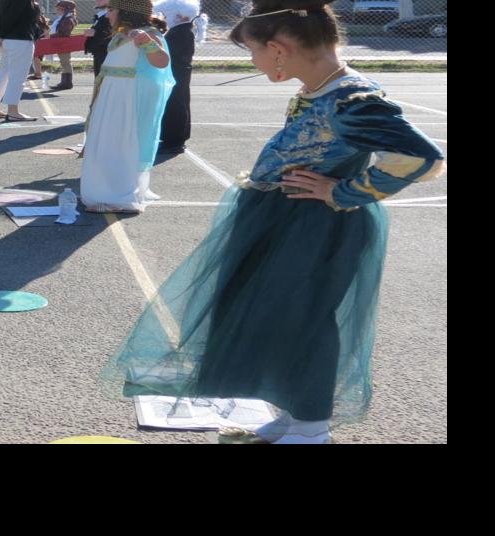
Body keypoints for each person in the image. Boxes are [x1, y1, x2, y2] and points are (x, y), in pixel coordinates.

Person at [103, 1, 445, 444]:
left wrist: (342, 192)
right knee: (275, 318)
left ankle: (312, 425)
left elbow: (420, 157)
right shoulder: (320, 86)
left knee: (304, 319)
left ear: (278, 48)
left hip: (316, 228)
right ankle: (295, 411)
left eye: (252, 51)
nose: (253, 61)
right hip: (285, 220)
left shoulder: (352, 98)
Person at [79, 0, 172, 214]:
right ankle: (104, 190)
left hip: (126, 95)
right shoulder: (122, 33)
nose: (107, 14)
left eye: (111, 10)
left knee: (121, 141)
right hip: (112, 92)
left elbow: (161, 61)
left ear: (127, 11)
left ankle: (119, 195)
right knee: (106, 140)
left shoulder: (146, 32)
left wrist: (147, 42)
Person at [155, 0, 197, 156]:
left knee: (176, 105)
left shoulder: (181, 32)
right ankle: (169, 138)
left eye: (167, 14)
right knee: (172, 104)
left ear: (178, 15)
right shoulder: (178, 30)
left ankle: (175, 141)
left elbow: (171, 54)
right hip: (176, 72)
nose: (164, 16)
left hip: (177, 73)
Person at [0, 0, 37, 121]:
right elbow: (13, 18)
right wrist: (0, 36)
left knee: (3, 75)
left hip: (7, 41)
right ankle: (13, 111)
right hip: (20, 40)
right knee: (17, 77)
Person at [45, 0, 76, 91]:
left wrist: (50, 36)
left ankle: (67, 82)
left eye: (60, 9)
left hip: (64, 44)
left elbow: (64, 34)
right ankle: (65, 82)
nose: (57, 11)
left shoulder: (68, 19)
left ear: (66, 10)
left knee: (66, 62)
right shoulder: (63, 18)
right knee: (64, 62)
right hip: (61, 43)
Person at [84, 0, 112, 74]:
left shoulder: (112, 15)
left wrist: (95, 33)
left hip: (106, 51)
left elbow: (113, 33)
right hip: (98, 51)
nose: (97, 0)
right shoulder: (100, 15)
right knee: (98, 76)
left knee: (103, 77)